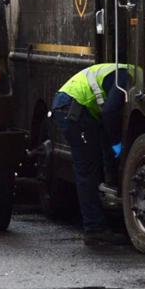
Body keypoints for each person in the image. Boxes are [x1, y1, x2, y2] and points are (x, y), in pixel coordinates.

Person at [49, 63, 137, 246]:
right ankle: (94, 230)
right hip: (73, 107)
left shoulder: (125, 71)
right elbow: (110, 112)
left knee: (95, 164)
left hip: (74, 104)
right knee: (87, 170)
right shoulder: (129, 76)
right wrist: (117, 146)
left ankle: (99, 221)